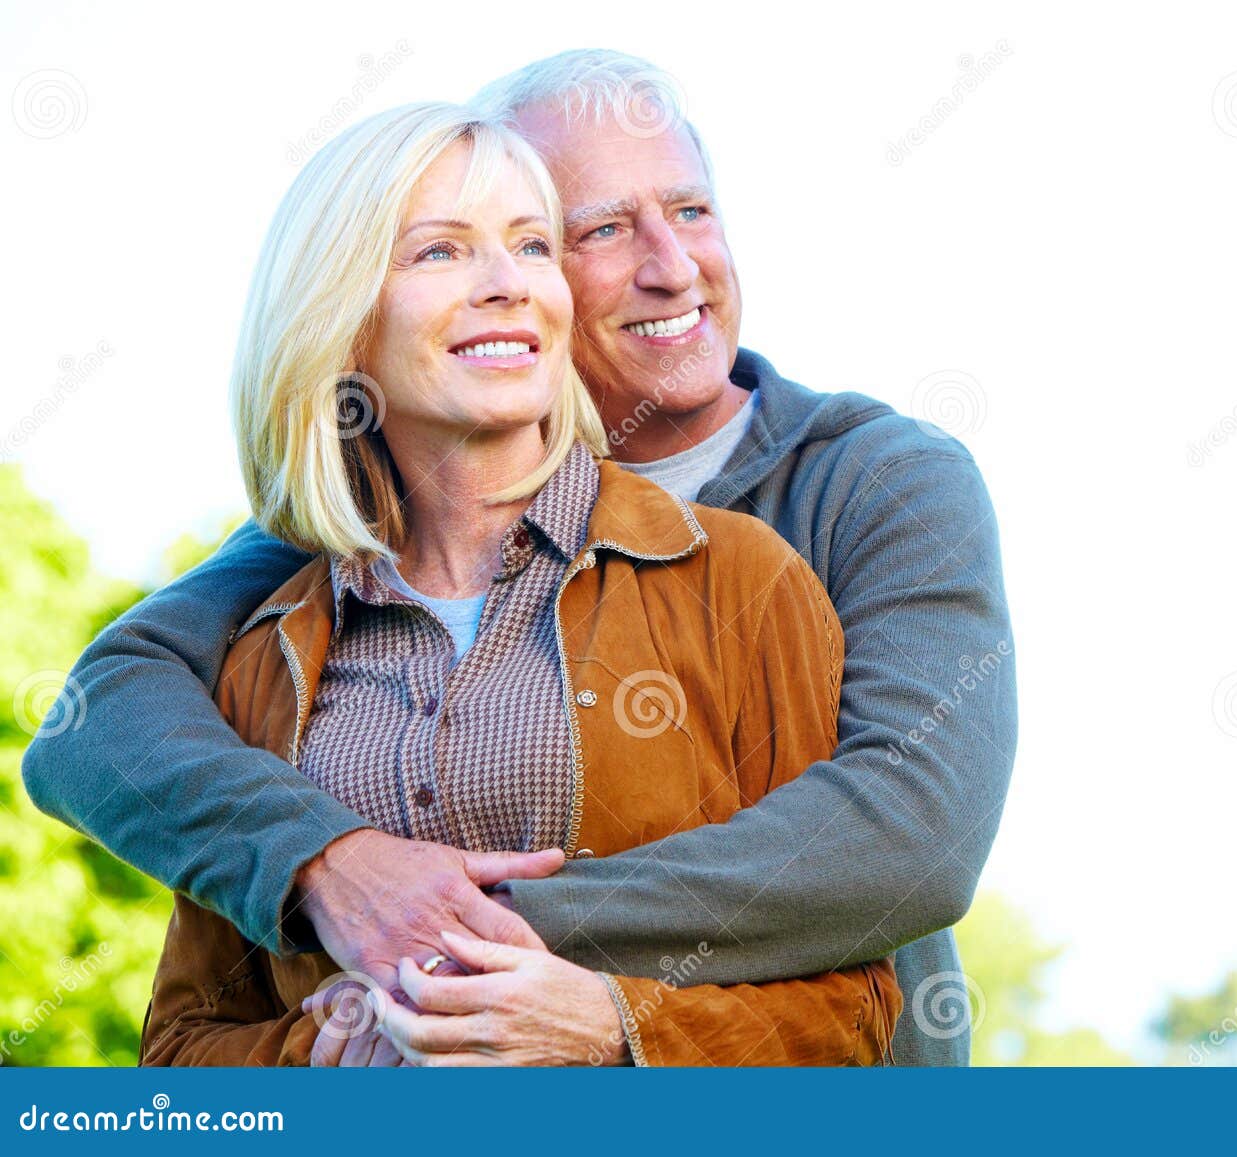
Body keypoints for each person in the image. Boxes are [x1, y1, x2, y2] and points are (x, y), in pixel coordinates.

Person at [22, 50, 1015, 1065]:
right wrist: (327, 865)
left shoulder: (859, 488)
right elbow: (99, 719)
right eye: (601, 230)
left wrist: (450, 934)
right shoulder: (345, 546)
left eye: (693, 210)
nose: (672, 266)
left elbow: (909, 833)